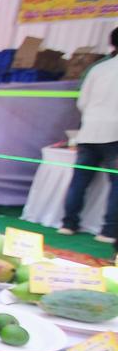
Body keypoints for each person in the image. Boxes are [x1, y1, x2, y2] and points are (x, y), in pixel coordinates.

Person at [61, 26, 118, 243]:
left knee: (79, 181)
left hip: (89, 131)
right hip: (115, 134)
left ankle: (68, 224)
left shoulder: (98, 69)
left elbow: (82, 102)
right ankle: (109, 231)